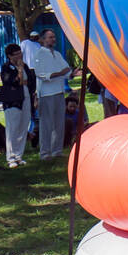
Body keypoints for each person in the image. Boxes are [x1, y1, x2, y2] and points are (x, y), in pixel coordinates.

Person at [34, 30, 73, 159]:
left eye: (54, 37)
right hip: (46, 93)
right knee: (46, 124)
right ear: (43, 40)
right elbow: (40, 74)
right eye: (50, 37)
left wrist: (71, 74)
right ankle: (45, 152)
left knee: (59, 123)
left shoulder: (57, 54)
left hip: (59, 91)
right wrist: (60, 73)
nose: (53, 39)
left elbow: (67, 70)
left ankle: (57, 150)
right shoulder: (39, 54)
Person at [0, 44, 35, 167]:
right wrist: (19, 71)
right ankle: (11, 157)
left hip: (26, 97)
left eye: (20, 53)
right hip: (13, 100)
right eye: (16, 54)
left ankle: (19, 155)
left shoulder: (26, 66)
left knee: (23, 126)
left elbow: (30, 81)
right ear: (9, 56)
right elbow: (11, 82)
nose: (20, 56)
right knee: (13, 128)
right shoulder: (6, 67)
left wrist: (22, 78)